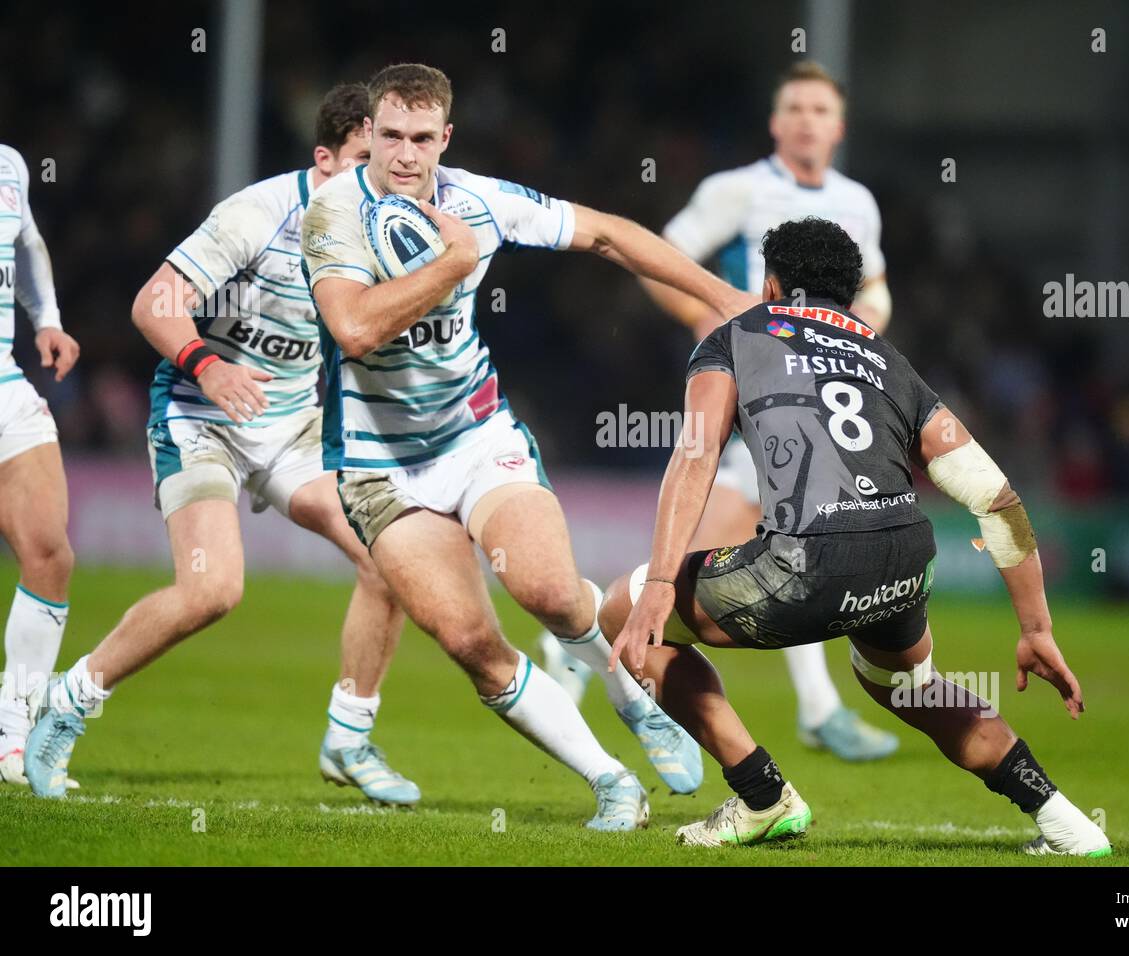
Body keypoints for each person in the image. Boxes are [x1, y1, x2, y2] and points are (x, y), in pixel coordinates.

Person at [295, 63, 759, 827]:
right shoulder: (333, 214)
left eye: (421, 139)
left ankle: (640, 707)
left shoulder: (479, 198)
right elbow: (355, 329)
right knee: (472, 642)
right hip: (380, 468)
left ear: (445, 138)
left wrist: (722, 297)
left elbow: (607, 235)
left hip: (478, 438)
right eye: (389, 137)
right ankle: (612, 781)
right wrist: (452, 264)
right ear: (368, 136)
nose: (404, 155)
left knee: (548, 592)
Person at [600, 217, 1111, 856]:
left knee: (621, 608)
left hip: (806, 562)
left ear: (772, 283)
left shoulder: (738, 335)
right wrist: (1036, 630)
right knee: (910, 687)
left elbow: (697, 455)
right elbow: (996, 498)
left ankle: (762, 797)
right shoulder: (889, 361)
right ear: (850, 293)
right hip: (904, 560)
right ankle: (1065, 821)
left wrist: (659, 585)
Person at [23, 85, 417, 807]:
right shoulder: (257, 214)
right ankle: (68, 701)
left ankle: (349, 736)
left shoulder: (383, 224)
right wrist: (209, 363)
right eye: (363, 159)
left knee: (392, 558)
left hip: (294, 425)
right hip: (201, 416)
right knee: (213, 589)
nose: (376, 177)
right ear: (323, 157)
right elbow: (154, 302)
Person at [543, 63, 898, 762]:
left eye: (819, 109)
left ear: (839, 125)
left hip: (810, 399)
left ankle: (814, 706)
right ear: (775, 122)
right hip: (755, 394)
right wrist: (719, 332)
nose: (805, 119)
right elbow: (660, 261)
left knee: (789, 531)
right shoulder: (738, 191)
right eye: (793, 107)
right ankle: (580, 638)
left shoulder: (858, 201)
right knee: (741, 545)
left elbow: (877, 284)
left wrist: (860, 334)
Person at [0, 143, 81, 786]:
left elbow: (26, 243)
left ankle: (12, 735)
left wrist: (46, 319)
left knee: (50, 555)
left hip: (5, 387)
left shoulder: (10, 165)